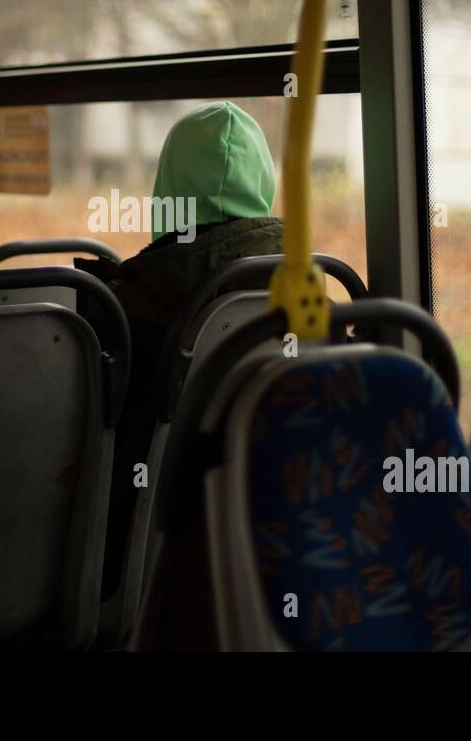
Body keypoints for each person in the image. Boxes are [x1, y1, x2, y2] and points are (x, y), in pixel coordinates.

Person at [79, 100, 283, 598]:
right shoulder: (307, 285)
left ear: (169, 188)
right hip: (271, 536)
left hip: (137, 558)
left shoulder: (129, 305)